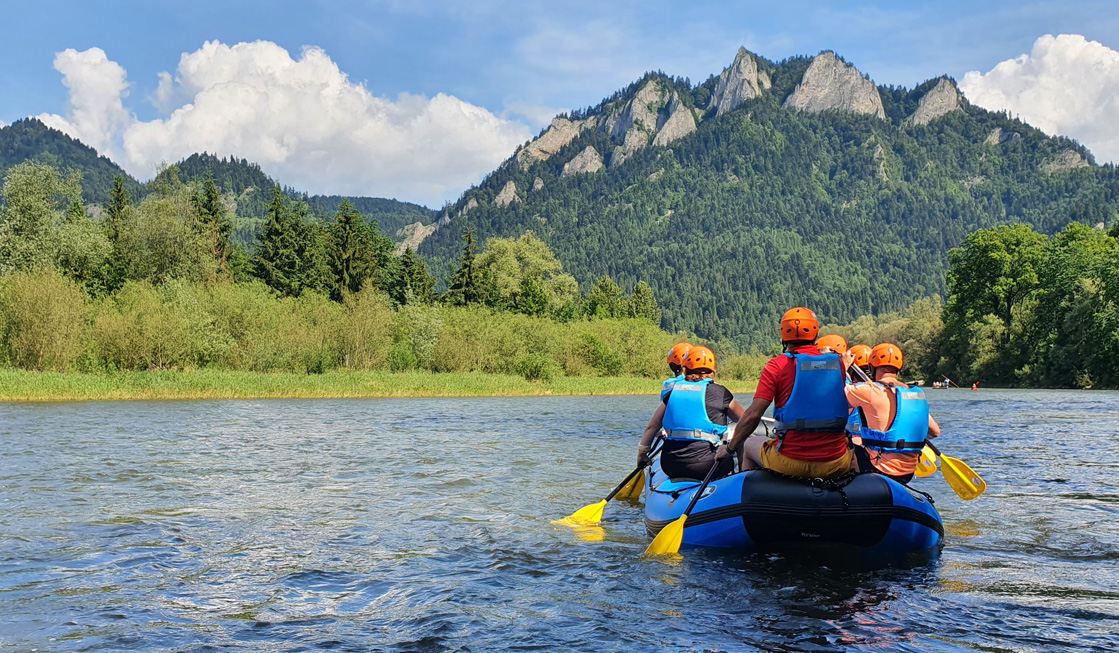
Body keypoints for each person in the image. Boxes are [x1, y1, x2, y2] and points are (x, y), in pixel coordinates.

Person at [719, 307, 853, 479]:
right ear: (815, 332)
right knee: (852, 453)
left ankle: (752, 502)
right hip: (834, 462)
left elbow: (753, 415)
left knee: (749, 444)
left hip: (790, 462)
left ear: (784, 335)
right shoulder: (839, 365)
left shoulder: (777, 365)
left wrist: (729, 449)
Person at [638, 346, 745, 480]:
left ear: (685, 369)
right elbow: (745, 421)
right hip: (707, 466)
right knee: (742, 434)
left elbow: (651, 427)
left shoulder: (672, 392)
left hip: (670, 465)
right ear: (713, 370)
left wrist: (642, 454)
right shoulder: (721, 392)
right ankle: (742, 476)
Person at [841, 343, 940, 484]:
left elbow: (832, 395)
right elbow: (935, 432)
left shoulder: (868, 391)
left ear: (872, 367)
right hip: (908, 472)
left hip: (877, 469)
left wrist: (843, 367)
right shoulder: (917, 394)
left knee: (848, 444)